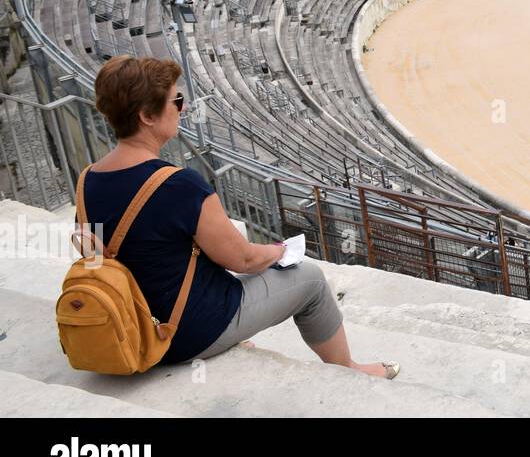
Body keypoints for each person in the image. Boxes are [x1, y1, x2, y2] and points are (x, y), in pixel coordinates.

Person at [81, 55, 398, 378]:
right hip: (182, 335)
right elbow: (243, 260)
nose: (184, 108)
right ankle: (350, 369)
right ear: (147, 115)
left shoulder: (87, 181)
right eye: (176, 100)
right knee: (311, 280)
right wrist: (278, 251)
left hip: (131, 327)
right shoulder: (178, 185)